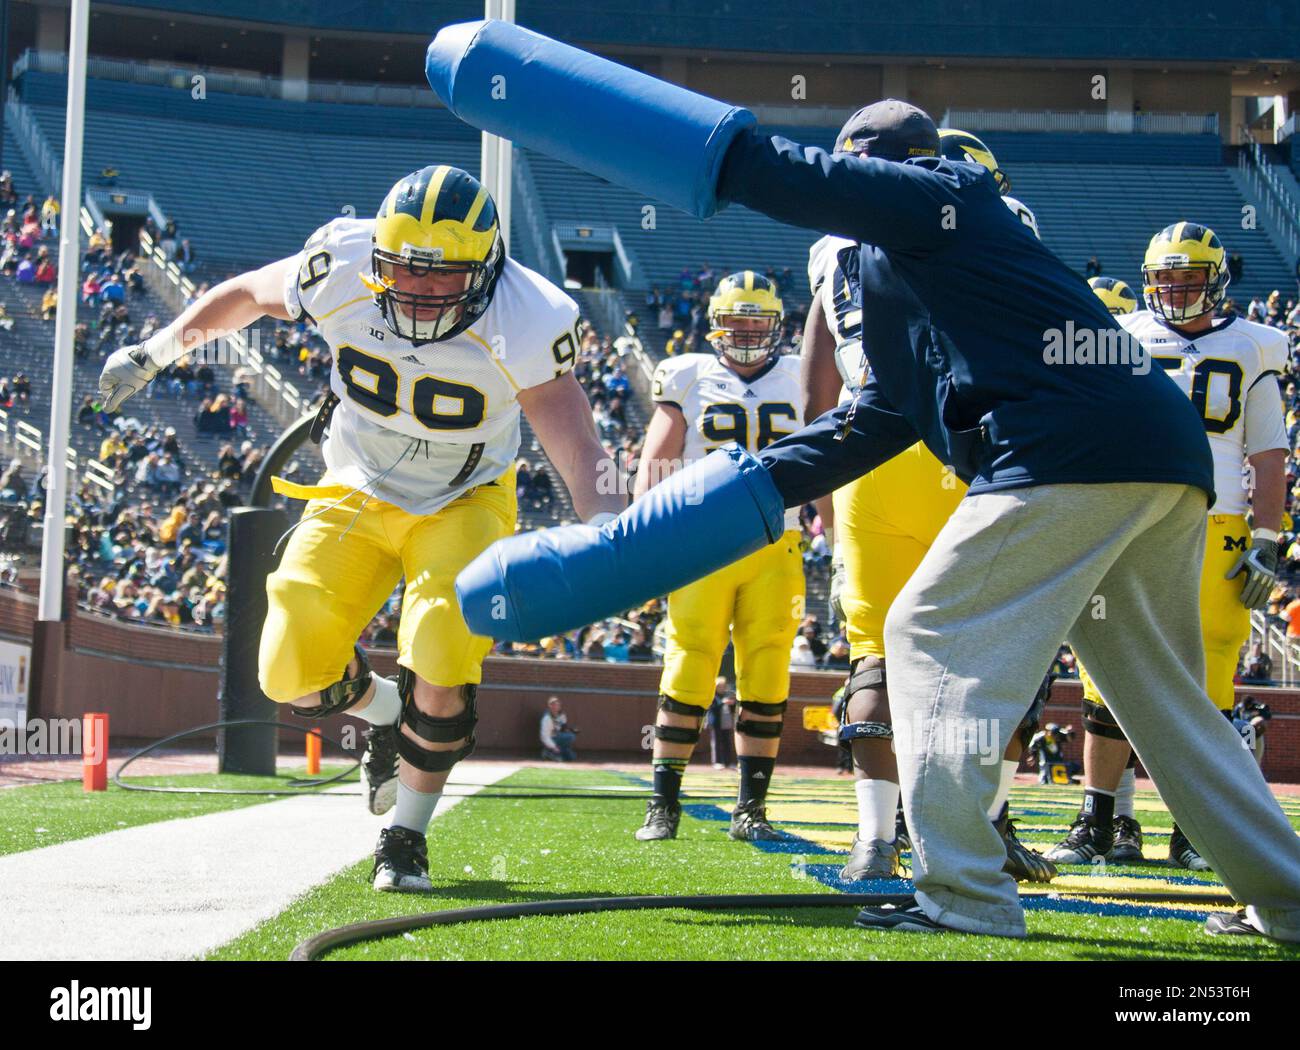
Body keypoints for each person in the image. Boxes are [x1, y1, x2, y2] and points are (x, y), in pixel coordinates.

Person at [451, 60, 1300, 942]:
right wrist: (742, 494)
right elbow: (877, 419)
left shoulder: (941, 195)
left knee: (921, 630)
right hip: (1155, 455)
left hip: (1072, 452)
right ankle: (1286, 894)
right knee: (1160, 696)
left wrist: (688, 144)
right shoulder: (923, 279)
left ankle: (963, 892)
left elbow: (791, 175)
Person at [98, 165, 624, 894]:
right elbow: (249, 294)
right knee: (288, 667)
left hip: (464, 496)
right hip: (355, 483)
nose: (419, 288)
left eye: (443, 277)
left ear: (489, 268)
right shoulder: (341, 262)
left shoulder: (526, 317)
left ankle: (404, 836)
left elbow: (579, 451)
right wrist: (155, 352)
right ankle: (385, 715)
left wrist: (619, 540)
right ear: (377, 255)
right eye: (404, 268)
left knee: (442, 641)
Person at [802, 128, 1055, 884]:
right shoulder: (1004, 214)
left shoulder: (833, 244)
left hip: (868, 456)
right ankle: (984, 829)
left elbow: (816, 377)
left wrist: (822, 486)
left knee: (874, 648)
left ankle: (875, 839)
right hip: (977, 450)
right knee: (1001, 650)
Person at [1045, 223, 1288, 874]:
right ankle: (1098, 822)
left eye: (1188, 277)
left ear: (1216, 279)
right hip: (1128, 520)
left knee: (1210, 680)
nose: (1176, 290)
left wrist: (1268, 538)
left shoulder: (1255, 345)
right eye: (1166, 278)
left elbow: (1269, 454)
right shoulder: (1119, 339)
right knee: (1106, 675)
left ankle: (1196, 831)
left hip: (1217, 523)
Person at [633, 271, 805, 844]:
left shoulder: (804, 375)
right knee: (689, 659)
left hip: (777, 540)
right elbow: (655, 462)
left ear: (778, 326)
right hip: (702, 539)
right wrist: (646, 531)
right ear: (714, 327)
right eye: (738, 323)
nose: (749, 333)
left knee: (767, 665)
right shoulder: (687, 376)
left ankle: (751, 807)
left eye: (758, 323)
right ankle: (664, 803)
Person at [540, 696, 577, 761]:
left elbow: (563, 728)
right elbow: (545, 737)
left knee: (572, 757)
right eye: (554, 705)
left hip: (558, 737)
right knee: (571, 736)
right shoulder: (547, 718)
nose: (556, 707)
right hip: (551, 739)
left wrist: (571, 730)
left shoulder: (562, 715)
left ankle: (555, 754)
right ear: (550, 706)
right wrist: (554, 747)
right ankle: (548, 751)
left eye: (558, 705)